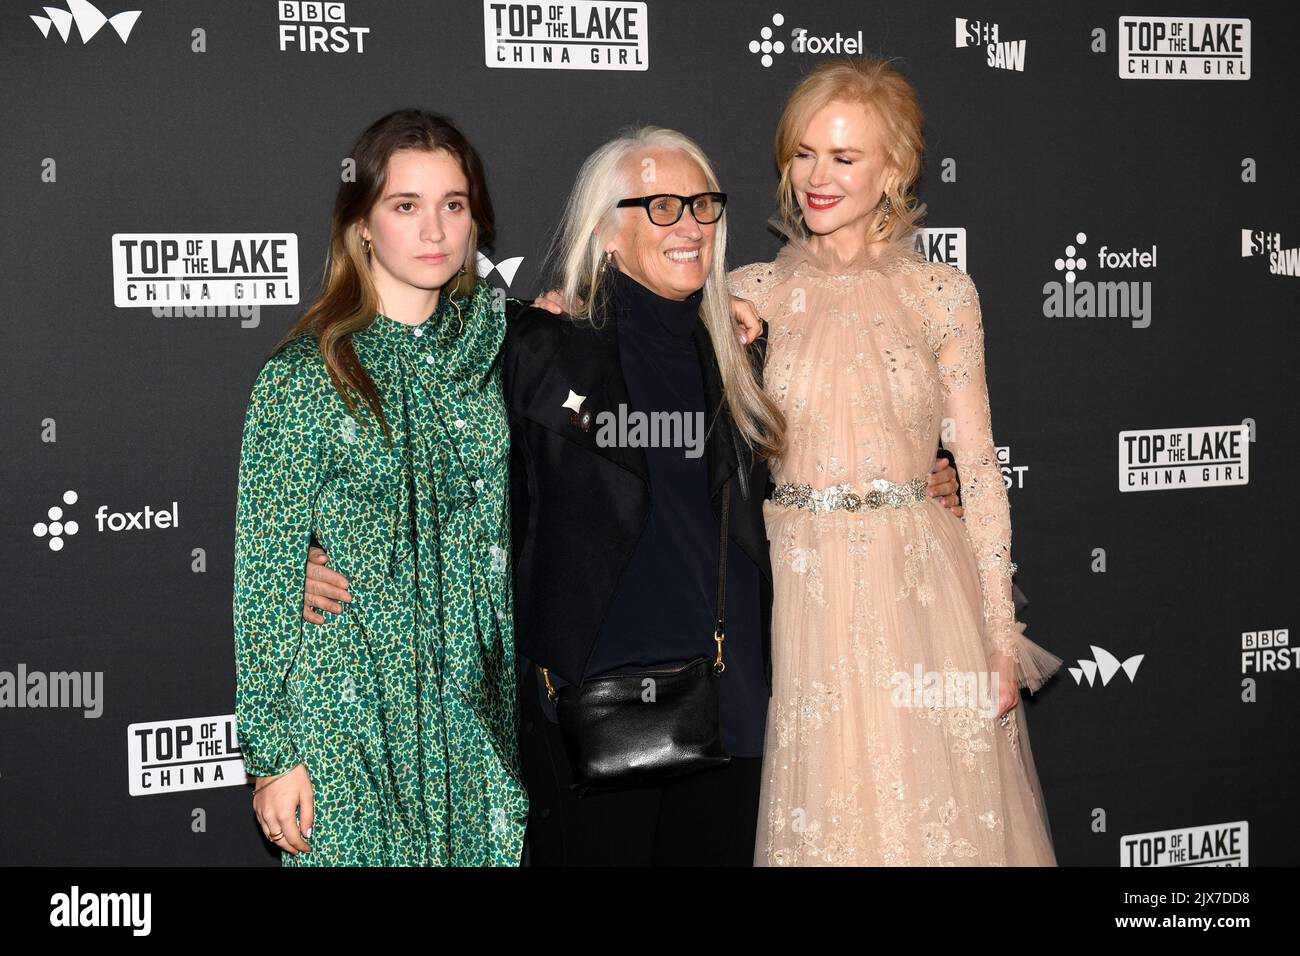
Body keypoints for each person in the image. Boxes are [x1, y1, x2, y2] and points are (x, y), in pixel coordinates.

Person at [303, 125, 963, 865]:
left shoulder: (746, 351)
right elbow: (414, 452)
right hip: (595, 717)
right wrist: (319, 549)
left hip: (732, 708)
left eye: (701, 204)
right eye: (659, 206)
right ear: (606, 232)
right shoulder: (537, 347)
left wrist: (922, 483)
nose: (687, 224)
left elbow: (825, 460)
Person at [727, 57, 1063, 866]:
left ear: (894, 170)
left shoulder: (942, 294)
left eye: (845, 157)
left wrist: (998, 636)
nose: (818, 176)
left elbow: (977, 470)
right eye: (804, 153)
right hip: (800, 587)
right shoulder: (748, 292)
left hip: (920, 591)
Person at [232, 109, 526, 866]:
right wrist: (273, 755)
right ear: (362, 225)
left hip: (475, 716)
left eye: (453, 206)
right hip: (348, 717)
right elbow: (264, 577)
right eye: (406, 206)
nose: (434, 230)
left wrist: (725, 310)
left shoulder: (505, 346)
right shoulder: (304, 377)